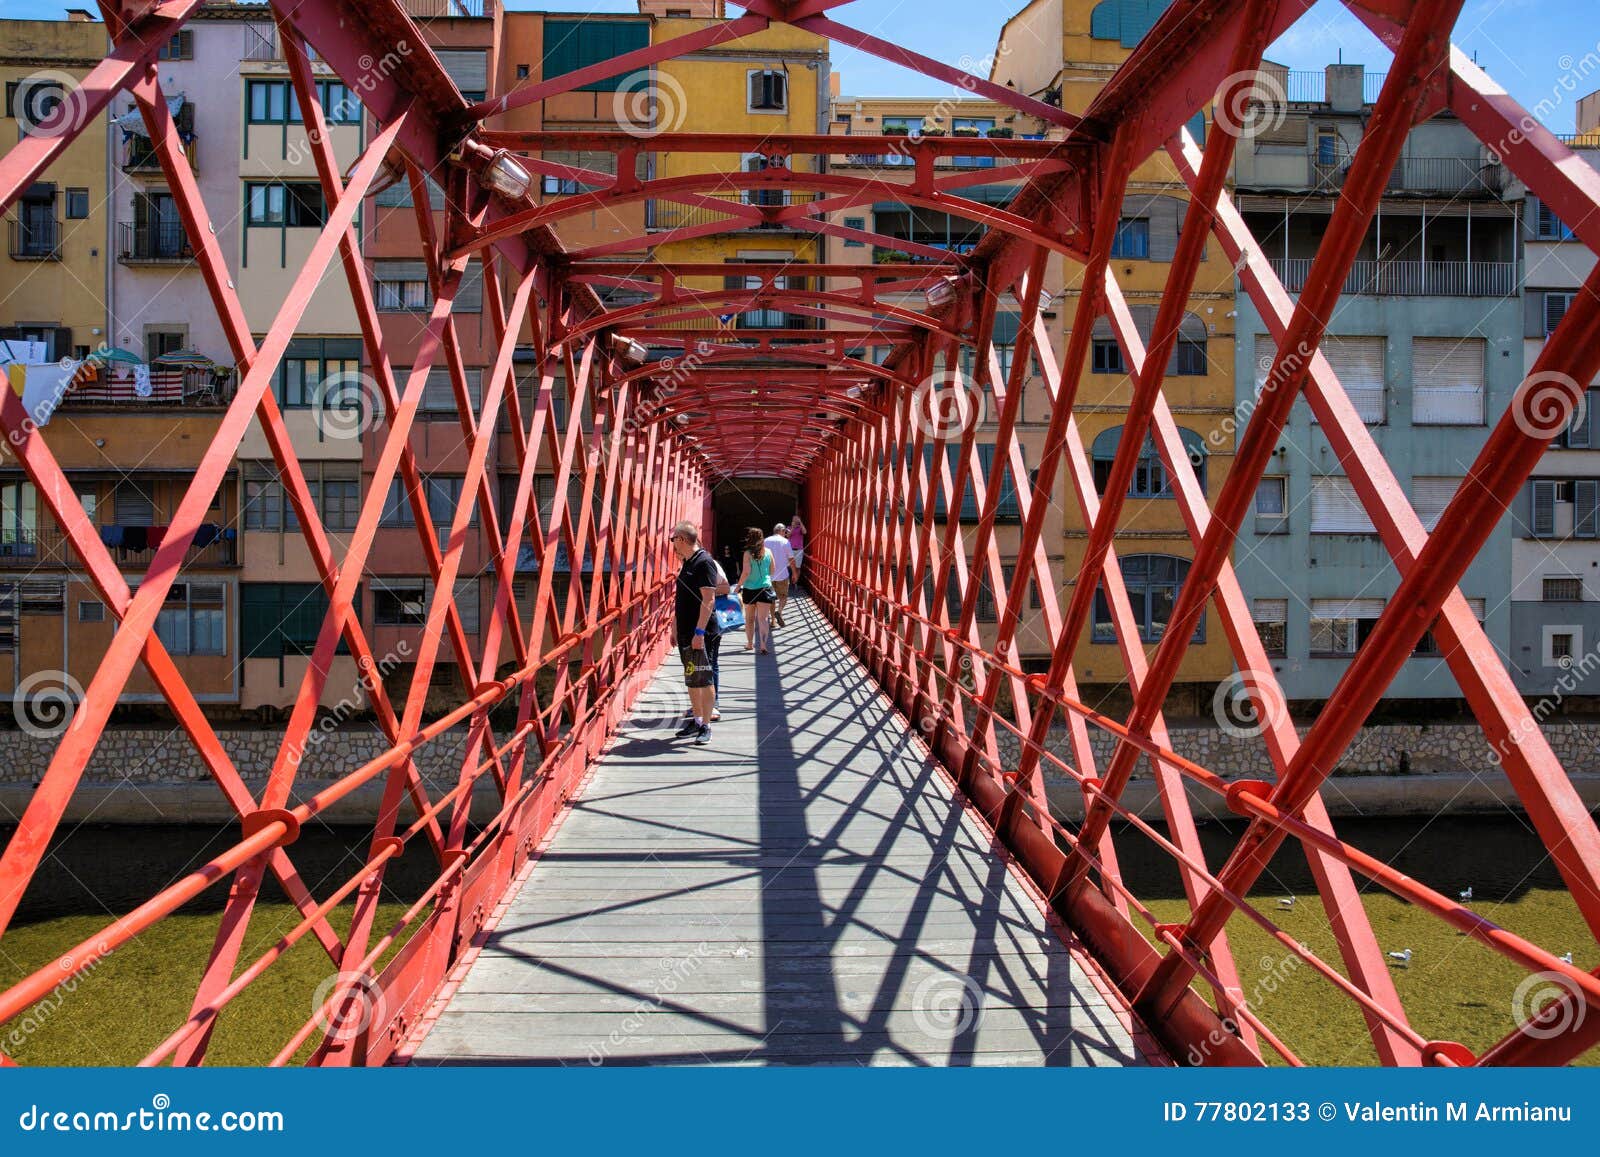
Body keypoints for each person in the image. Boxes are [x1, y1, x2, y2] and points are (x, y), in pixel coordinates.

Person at [670, 520, 720, 744]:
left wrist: (699, 632)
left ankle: (707, 726)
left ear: (682, 539)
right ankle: (697, 720)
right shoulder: (688, 562)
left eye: (673, 539)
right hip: (686, 632)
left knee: (704, 678)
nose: (672, 544)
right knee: (691, 677)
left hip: (702, 632)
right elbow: (682, 599)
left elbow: (708, 599)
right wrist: (675, 626)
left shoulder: (704, 562)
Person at [736, 525, 777, 654]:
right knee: (763, 619)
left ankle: (749, 644)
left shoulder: (747, 554)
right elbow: (772, 570)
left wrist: (738, 586)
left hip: (749, 589)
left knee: (749, 619)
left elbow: (746, 572)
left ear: (749, 539)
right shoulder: (768, 552)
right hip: (765, 588)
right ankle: (763, 644)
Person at [764, 523, 795, 628]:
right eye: (785, 531)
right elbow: (791, 559)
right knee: (783, 597)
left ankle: (773, 621)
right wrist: (794, 573)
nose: (785, 533)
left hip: (769, 575)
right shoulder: (785, 542)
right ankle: (779, 611)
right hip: (782, 575)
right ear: (781, 531)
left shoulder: (766, 541)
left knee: (771, 598)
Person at [787, 515, 806, 589]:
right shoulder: (788, 527)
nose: (795, 521)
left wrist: (800, 522)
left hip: (799, 550)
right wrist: (793, 527)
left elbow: (804, 532)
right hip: (790, 550)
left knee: (798, 567)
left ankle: (795, 583)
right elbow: (788, 536)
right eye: (793, 520)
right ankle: (789, 583)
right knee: (789, 567)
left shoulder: (800, 528)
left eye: (796, 520)